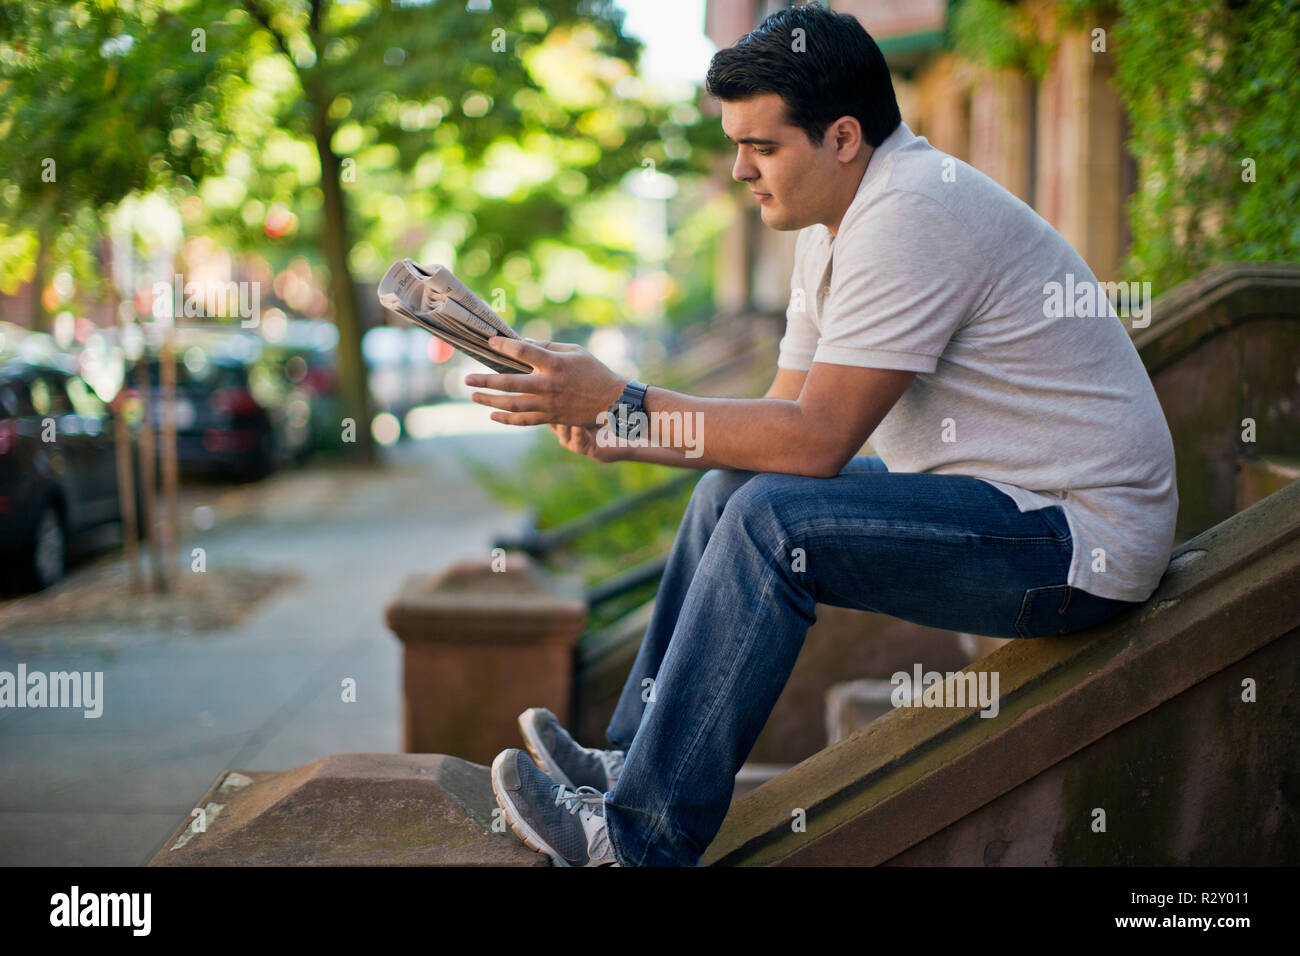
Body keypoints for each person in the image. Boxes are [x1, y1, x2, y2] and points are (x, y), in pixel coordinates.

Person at [467, 2, 1178, 867]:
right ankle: (629, 764)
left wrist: (627, 399)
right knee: (728, 492)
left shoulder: (914, 211)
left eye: (761, 147)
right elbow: (771, 425)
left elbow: (814, 446)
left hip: (1078, 542)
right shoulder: (832, 225)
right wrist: (621, 425)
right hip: (1003, 505)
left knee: (775, 520)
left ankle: (636, 841)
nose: (739, 170)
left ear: (843, 137)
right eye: (736, 145)